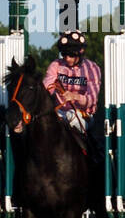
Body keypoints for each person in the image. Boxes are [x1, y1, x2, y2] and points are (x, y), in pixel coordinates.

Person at [42, 29, 103, 161]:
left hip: (83, 115)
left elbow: (92, 100)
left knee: (72, 118)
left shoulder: (92, 68)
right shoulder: (56, 65)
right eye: (64, 54)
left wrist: (74, 97)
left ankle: (92, 158)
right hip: (58, 113)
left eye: (70, 55)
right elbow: (46, 86)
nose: (66, 58)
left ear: (80, 53)